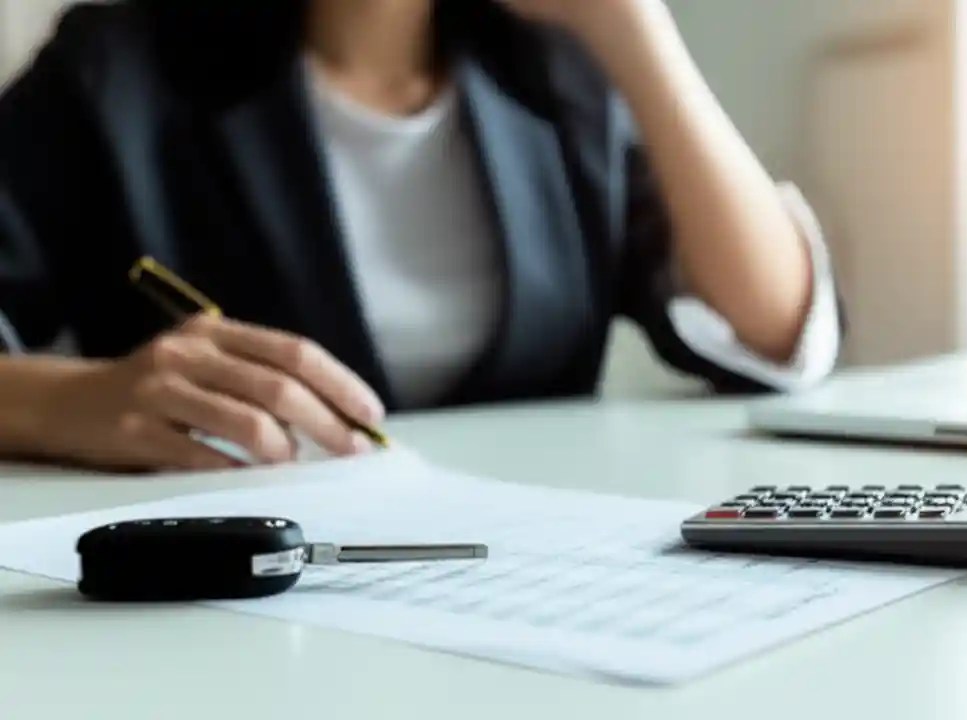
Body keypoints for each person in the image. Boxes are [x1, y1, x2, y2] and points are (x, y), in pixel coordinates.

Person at [0, 0, 842, 472]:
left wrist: (635, 28)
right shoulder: (115, 71)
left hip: (519, 583)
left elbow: (774, 332)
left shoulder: (556, 75)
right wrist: (71, 401)